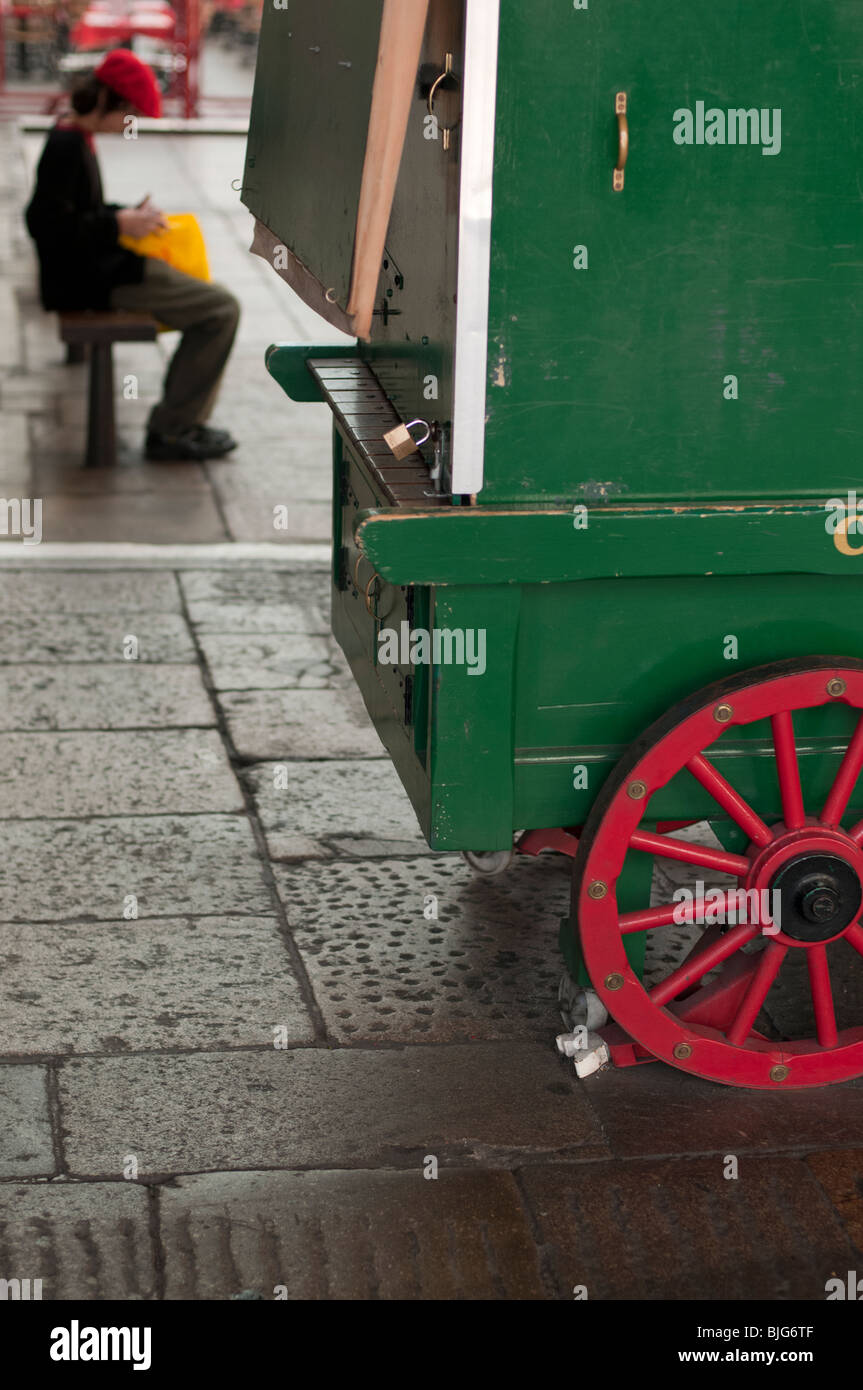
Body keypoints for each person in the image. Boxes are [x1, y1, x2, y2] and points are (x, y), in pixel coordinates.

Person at [25, 49, 240, 462]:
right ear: (109, 101)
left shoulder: (72, 133)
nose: (131, 125)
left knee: (214, 300)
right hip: (90, 280)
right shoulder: (67, 146)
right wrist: (117, 225)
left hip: (95, 268)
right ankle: (173, 430)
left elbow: (72, 213)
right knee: (221, 310)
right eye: (131, 115)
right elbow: (46, 226)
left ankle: (176, 423)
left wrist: (123, 216)